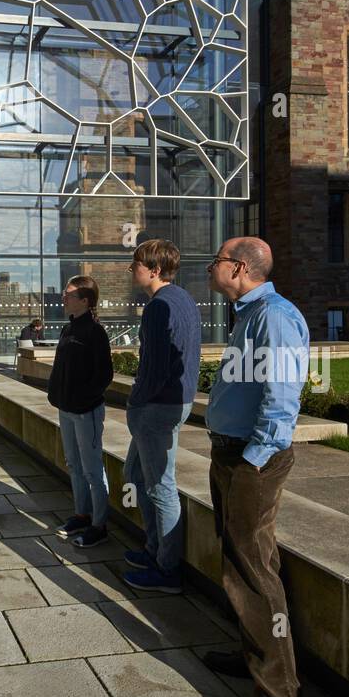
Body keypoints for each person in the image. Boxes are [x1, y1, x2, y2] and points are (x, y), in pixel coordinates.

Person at [205, 236, 314, 697]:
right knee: (242, 559)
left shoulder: (274, 315)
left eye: (218, 261)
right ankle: (252, 648)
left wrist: (251, 462)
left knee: (252, 572)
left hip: (254, 459)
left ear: (240, 267)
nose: (212, 268)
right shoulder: (248, 312)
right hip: (232, 453)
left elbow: (282, 398)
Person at [120, 239, 201, 594]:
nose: (131, 269)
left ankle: (166, 570)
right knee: (135, 474)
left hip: (157, 407)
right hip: (174, 402)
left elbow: (154, 367)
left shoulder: (158, 308)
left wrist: (136, 401)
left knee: (159, 486)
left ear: (153, 270)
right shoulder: (182, 298)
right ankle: (154, 551)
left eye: (136, 263)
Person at [47, 276, 114, 548]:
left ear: (85, 300)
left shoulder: (95, 332)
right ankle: (81, 514)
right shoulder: (68, 329)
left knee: (92, 470)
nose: (63, 297)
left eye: (69, 294)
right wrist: (56, 394)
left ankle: (99, 525)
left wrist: (84, 399)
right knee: (73, 465)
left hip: (86, 412)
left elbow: (104, 375)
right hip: (66, 410)